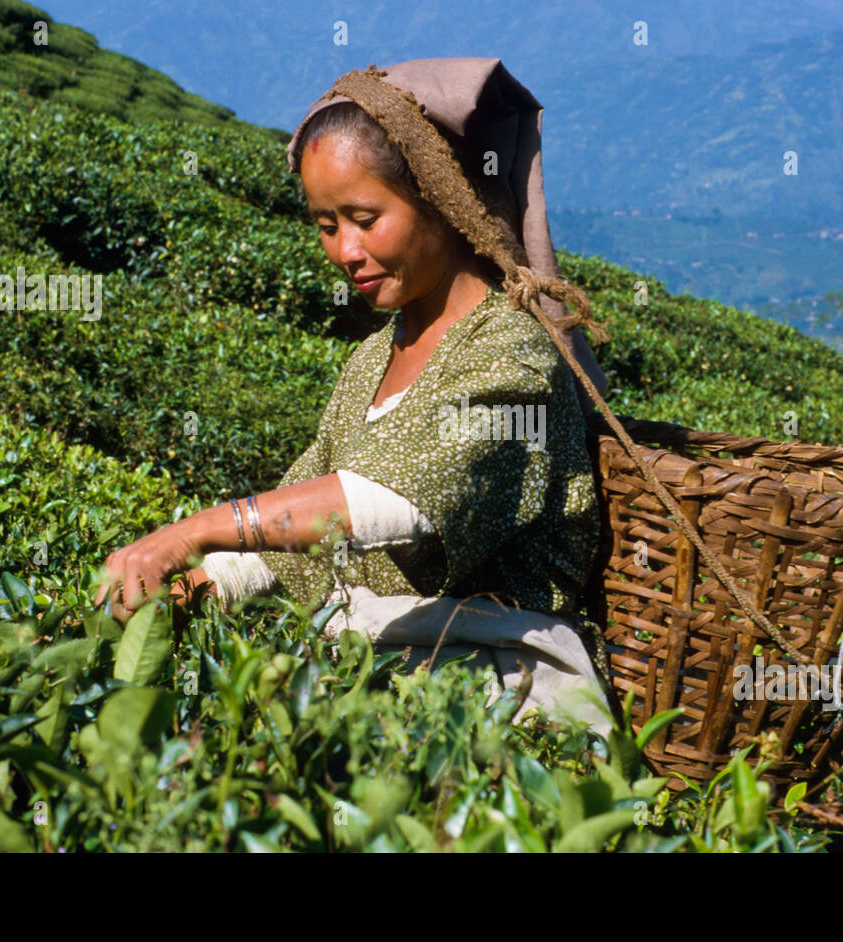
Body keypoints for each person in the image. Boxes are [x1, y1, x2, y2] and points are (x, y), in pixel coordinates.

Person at [94, 58, 615, 736]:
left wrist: (190, 532)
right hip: (380, 673)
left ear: (440, 199)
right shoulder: (373, 359)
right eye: (325, 224)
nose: (346, 250)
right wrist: (191, 590)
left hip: (497, 690)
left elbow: (397, 501)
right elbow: (290, 541)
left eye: (365, 218)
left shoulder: (510, 351)